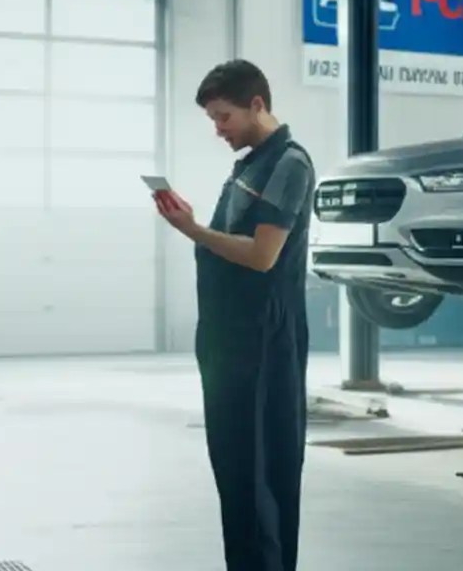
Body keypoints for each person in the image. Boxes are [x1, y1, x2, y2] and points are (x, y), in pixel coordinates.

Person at [153, 59, 316, 571]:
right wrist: (195, 224)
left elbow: (263, 256)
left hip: (263, 336)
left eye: (223, 117)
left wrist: (193, 230)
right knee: (236, 468)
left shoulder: (288, 164)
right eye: (213, 119)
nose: (218, 129)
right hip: (231, 336)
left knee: (261, 469)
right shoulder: (250, 164)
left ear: (257, 105)